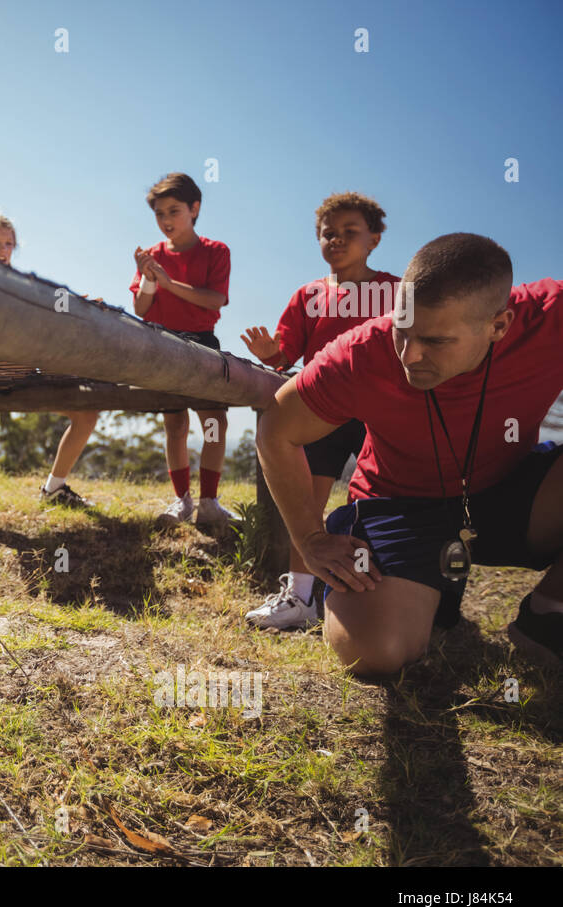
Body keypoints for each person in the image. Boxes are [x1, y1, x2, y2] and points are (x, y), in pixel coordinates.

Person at [256, 232, 563, 675]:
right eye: (403, 328)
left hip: (507, 494)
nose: (408, 354)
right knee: (374, 655)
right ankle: (424, 587)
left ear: (499, 325)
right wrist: (310, 539)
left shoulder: (550, 318)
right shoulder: (362, 353)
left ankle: (547, 613)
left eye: (435, 341)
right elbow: (276, 430)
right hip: (398, 505)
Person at [240, 192, 401, 629]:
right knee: (307, 502)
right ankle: (300, 597)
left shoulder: (395, 291)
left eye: (351, 232)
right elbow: (286, 355)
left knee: (375, 502)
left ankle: (382, 595)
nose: (338, 239)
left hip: (379, 412)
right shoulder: (308, 295)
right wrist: (272, 352)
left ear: (375, 239)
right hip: (321, 411)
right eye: (329, 233)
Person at [0, 206, 102, 508]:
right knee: (56, 353)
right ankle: (73, 371)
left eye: (8, 244)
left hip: (21, 369)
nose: (3, 251)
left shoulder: (20, 282)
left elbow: (44, 311)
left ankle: (54, 489)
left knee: (87, 413)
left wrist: (78, 307)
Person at [130, 173, 234, 529]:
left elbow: (214, 300)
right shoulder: (152, 256)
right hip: (163, 344)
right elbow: (141, 309)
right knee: (174, 424)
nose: (166, 221)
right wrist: (148, 278)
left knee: (214, 423)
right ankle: (182, 501)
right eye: (159, 214)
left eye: (173, 211)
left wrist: (169, 283)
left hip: (203, 343)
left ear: (195, 209)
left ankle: (209, 502)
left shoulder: (217, 251)